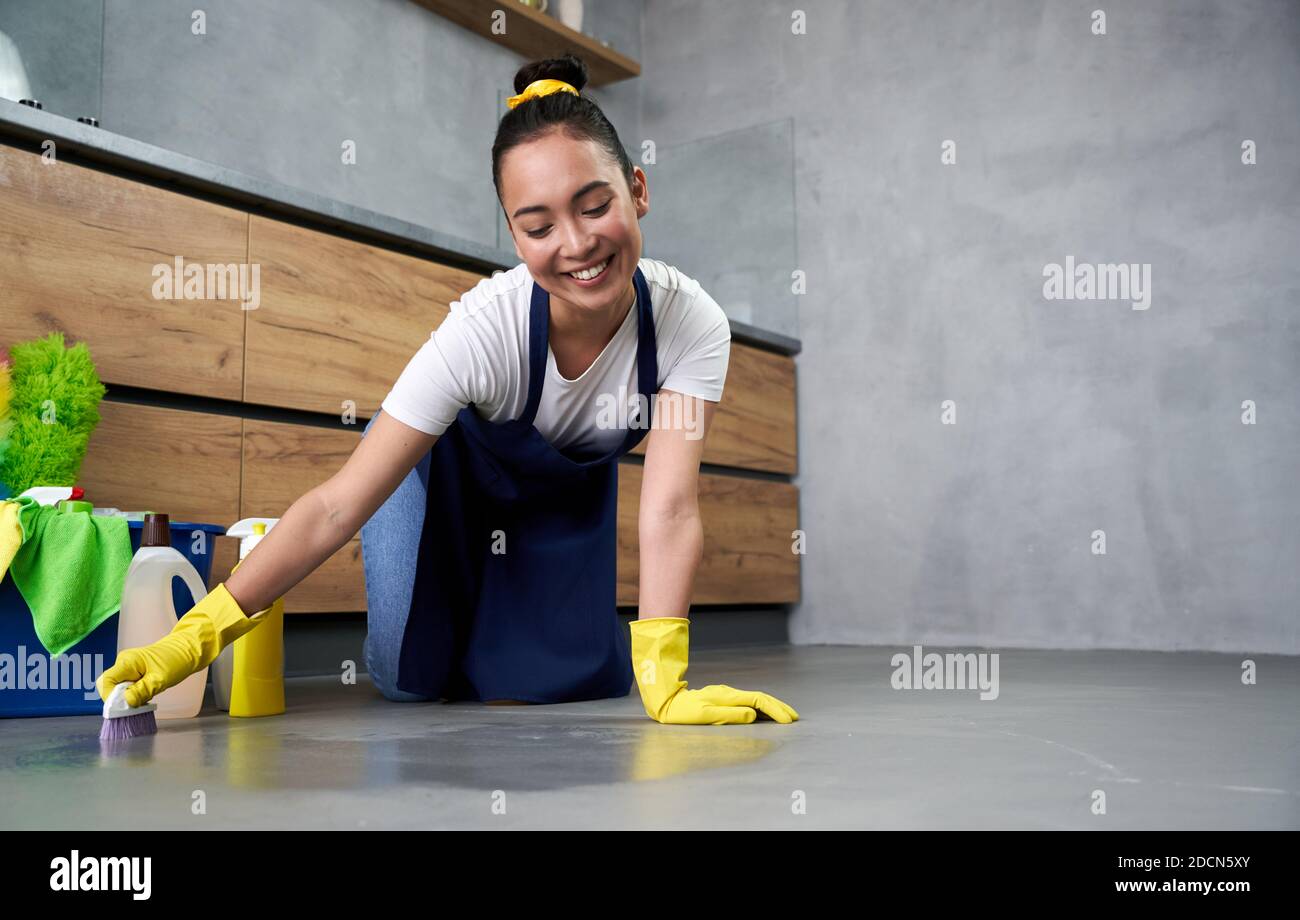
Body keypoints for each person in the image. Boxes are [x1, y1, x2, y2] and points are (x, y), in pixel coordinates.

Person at [98, 53, 798, 726]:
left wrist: (667, 681)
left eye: (594, 206)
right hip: (435, 480)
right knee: (411, 682)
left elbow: (671, 509)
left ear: (637, 190)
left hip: (556, 508)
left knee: (581, 678)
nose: (577, 245)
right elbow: (337, 506)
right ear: (516, 238)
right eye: (539, 226)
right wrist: (194, 637)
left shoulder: (687, 321)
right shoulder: (484, 329)